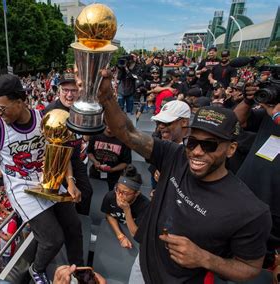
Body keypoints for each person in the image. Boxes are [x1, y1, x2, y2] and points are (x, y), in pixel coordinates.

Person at [98, 68, 272, 283]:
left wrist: (205, 258)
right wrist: (106, 97)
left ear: (231, 149)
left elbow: (250, 268)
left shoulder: (250, 210)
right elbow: (128, 133)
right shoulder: (175, 156)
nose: (197, 151)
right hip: (141, 269)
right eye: (193, 141)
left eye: (210, 145)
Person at [0, 74, 84, 284]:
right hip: (20, 187)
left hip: (48, 178)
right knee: (52, 239)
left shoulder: (44, 119)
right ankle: (36, 269)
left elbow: (60, 149)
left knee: (74, 226)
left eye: (3, 108)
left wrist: (71, 181)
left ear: (20, 102)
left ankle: (78, 272)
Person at [234, 83, 280, 270]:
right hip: (245, 195)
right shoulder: (270, 112)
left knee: (258, 263)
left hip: (274, 210)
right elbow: (237, 121)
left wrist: (277, 116)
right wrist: (247, 99)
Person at [44, 69, 93, 215]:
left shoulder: (79, 108)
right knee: (65, 199)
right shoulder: (52, 112)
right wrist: (71, 181)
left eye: (73, 90)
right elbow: (58, 152)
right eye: (65, 90)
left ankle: (80, 223)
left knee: (86, 193)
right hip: (56, 163)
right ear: (59, 90)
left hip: (75, 158)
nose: (69, 94)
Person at [100, 165, 149, 249]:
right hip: (115, 235)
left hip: (136, 242)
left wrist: (126, 210)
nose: (119, 195)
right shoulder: (111, 196)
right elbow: (109, 214)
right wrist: (120, 236)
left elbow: (136, 234)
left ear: (136, 193)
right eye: (118, 190)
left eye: (125, 193)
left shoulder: (145, 205)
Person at [87, 124, 132, 191]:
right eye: (108, 123)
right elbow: (89, 152)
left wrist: (112, 169)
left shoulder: (124, 140)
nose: (109, 126)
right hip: (95, 174)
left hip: (114, 178)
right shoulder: (96, 135)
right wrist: (95, 161)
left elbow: (126, 162)